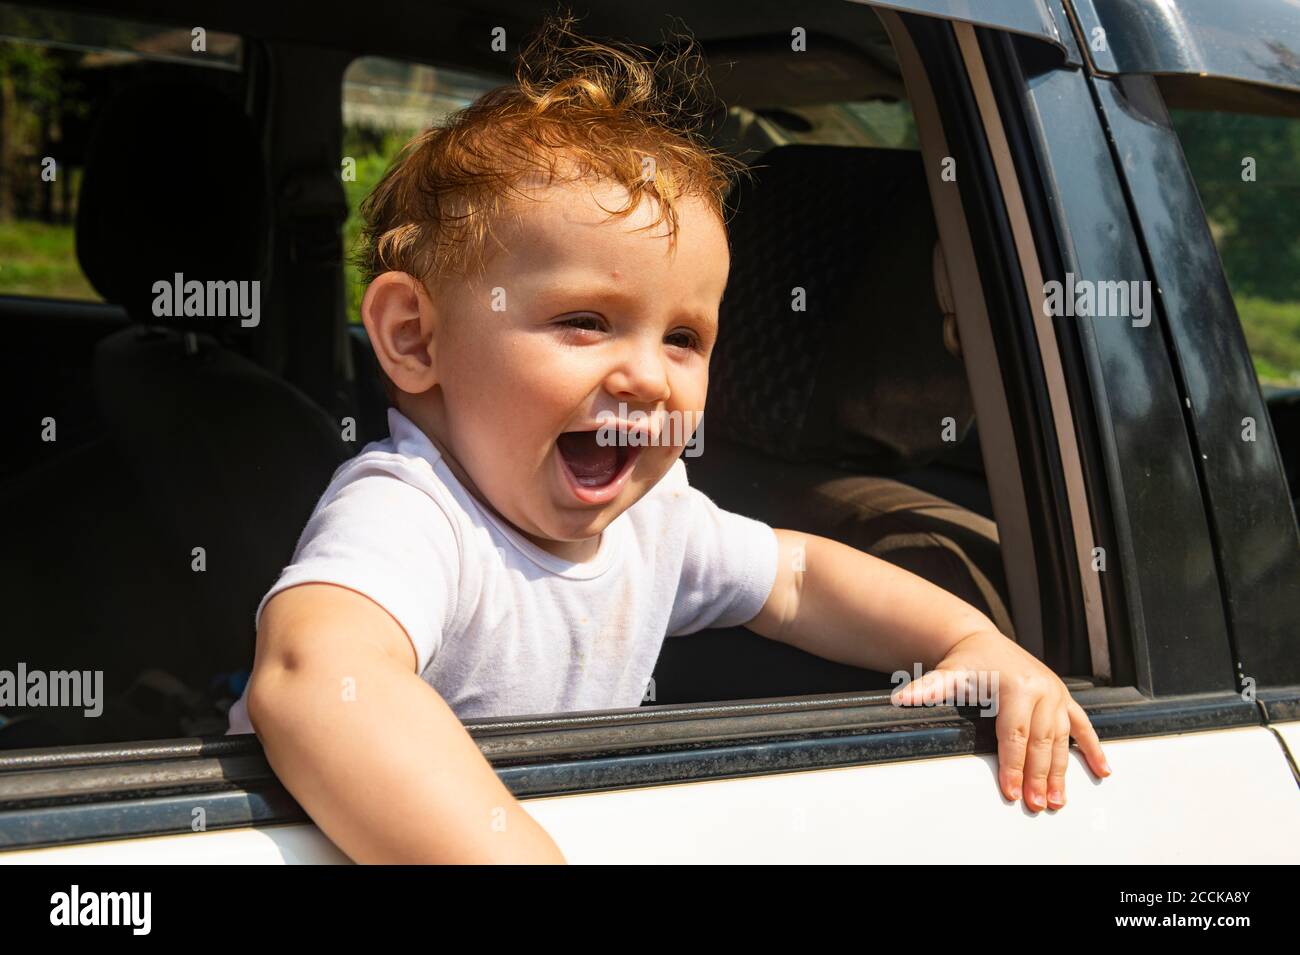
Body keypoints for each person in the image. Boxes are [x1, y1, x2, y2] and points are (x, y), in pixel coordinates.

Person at [228, 11, 1110, 863]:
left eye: (683, 337)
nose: (650, 376)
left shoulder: (652, 523)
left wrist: (973, 642)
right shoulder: (411, 511)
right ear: (415, 338)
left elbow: (798, 578)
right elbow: (320, 680)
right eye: (584, 320)